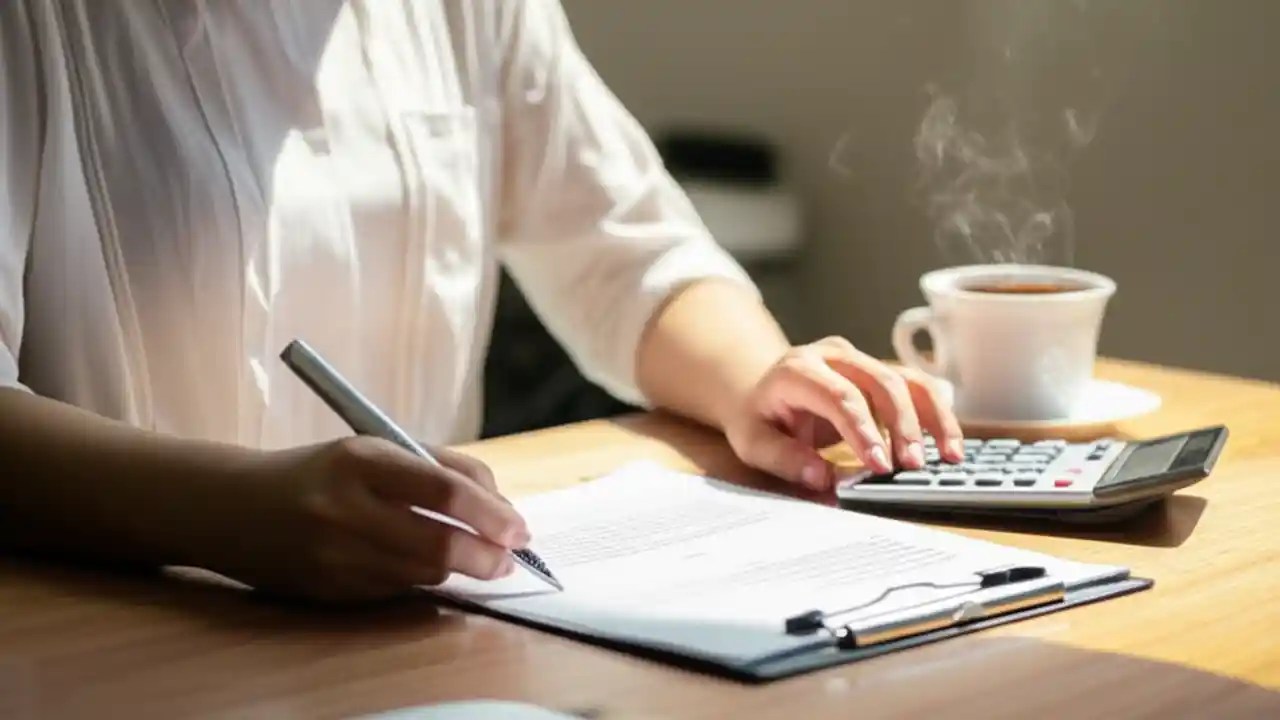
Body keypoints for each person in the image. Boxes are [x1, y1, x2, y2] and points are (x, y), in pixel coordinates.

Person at [0, 0, 963, 602]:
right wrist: (224, 516)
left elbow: (626, 244)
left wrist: (755, 376)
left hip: (429, 621)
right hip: (120, 626)